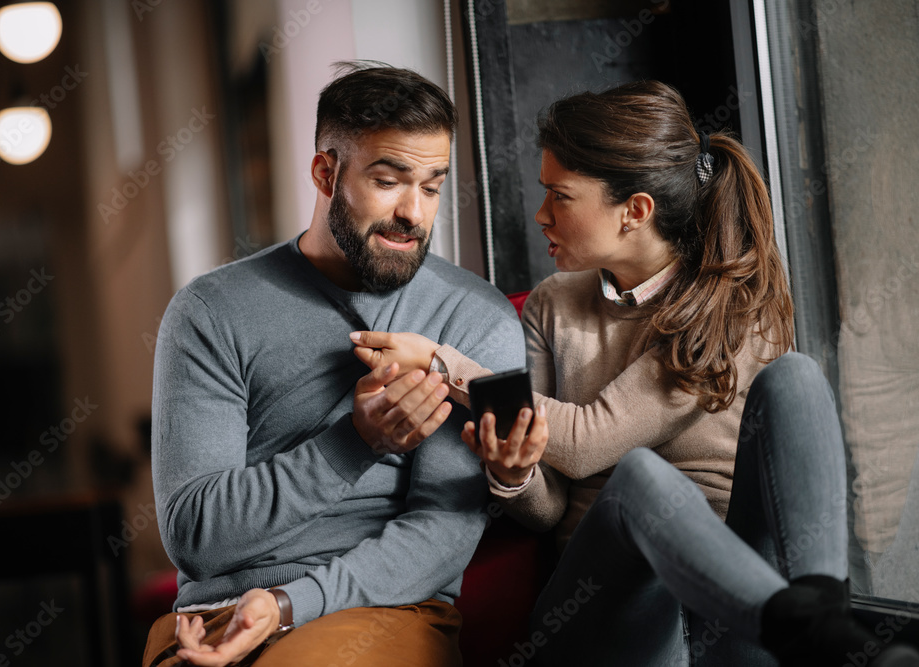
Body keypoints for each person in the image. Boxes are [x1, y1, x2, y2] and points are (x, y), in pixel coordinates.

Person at [351, 81, 919, 666]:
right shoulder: (552, 304)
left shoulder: (728, 305)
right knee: (641, 481)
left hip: (739, 626)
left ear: (636, 211)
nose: (541, 214)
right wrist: (513, 474)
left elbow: (586, 439)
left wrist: (444, 362)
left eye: (561, 197)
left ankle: (820, 616)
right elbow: (552, 503)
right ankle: (814, 633)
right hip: (610, 625)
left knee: (796, 378)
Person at [143, 62, 525, 667]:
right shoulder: (210, 311)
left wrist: (289, 603)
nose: (414, 213)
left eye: (431, 185)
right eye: (388, 180)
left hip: (384, 608)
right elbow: (196, 540)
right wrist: (356, 442)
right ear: (326, 171)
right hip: (214, 613)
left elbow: (442, 532)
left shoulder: (474, 320)